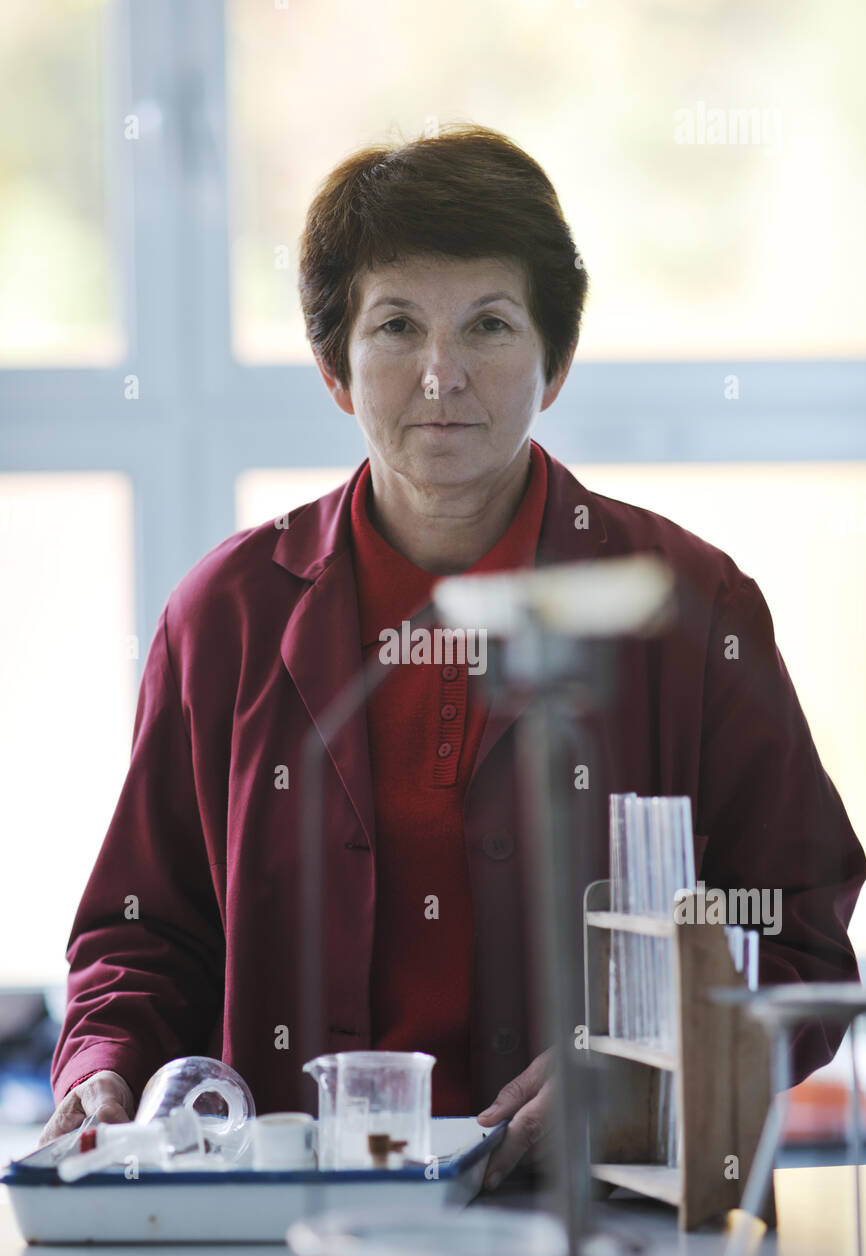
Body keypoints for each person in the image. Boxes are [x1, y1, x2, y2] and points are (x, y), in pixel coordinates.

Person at [41, 124, 864, 1192]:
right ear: (337, 368)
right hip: (294, 1222)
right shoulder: (225, 615)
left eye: (487, 323)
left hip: (600, 1206)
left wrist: (642, 1068)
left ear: (553, 362)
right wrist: (104, 1072)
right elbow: (141, 937)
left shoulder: (688, 604)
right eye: (395, 325)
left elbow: (791, 927)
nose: (440, 373)